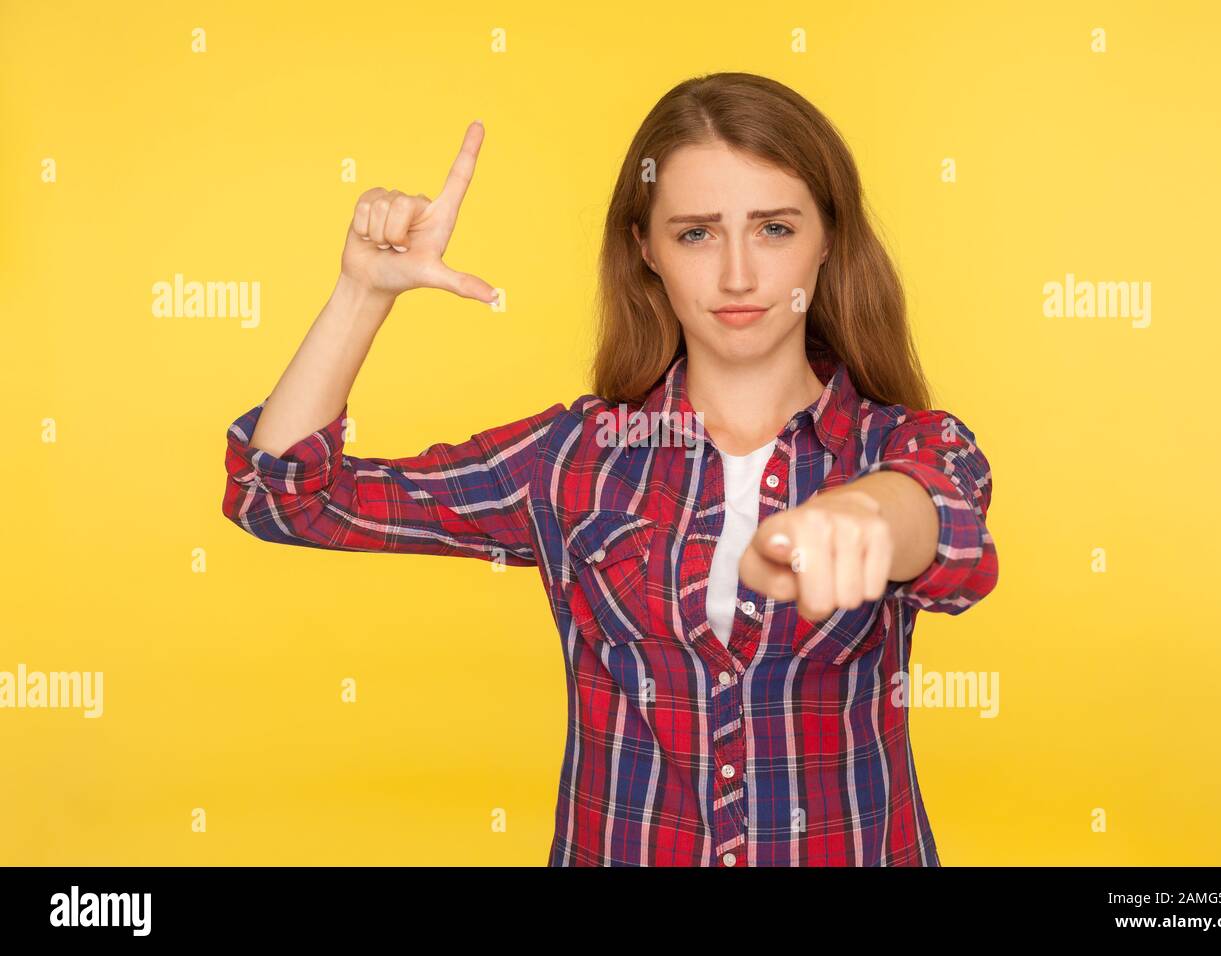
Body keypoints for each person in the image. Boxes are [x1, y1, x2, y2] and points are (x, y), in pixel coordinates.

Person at [222, 72, 999, 867]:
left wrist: (868, 517)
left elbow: (944, 531)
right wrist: (362, 292)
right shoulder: (575, 459)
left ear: (829, 237)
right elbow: (282, 499)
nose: (737, 274)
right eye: (696, 233)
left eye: (773, 228)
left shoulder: (906, 446)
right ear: (646, 249)